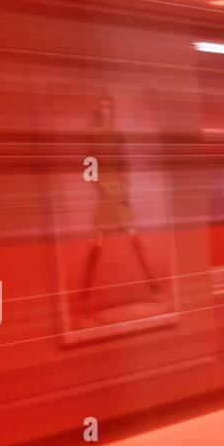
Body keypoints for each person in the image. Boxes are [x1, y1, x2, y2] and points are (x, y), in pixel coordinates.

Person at [81, 95, 162, 318]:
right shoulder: (91, 137)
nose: (105, 112)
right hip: (106, 194)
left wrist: (123, 190)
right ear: (98, 111)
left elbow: (125, 165)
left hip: (119, 193)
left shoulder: (118, 136)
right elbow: (89, 169)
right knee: (98, 239)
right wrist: (103, 186)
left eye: (108, 108)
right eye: (101, 108)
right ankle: (85, 294)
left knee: (132, 235)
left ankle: (154, 285)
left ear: (112, 111)